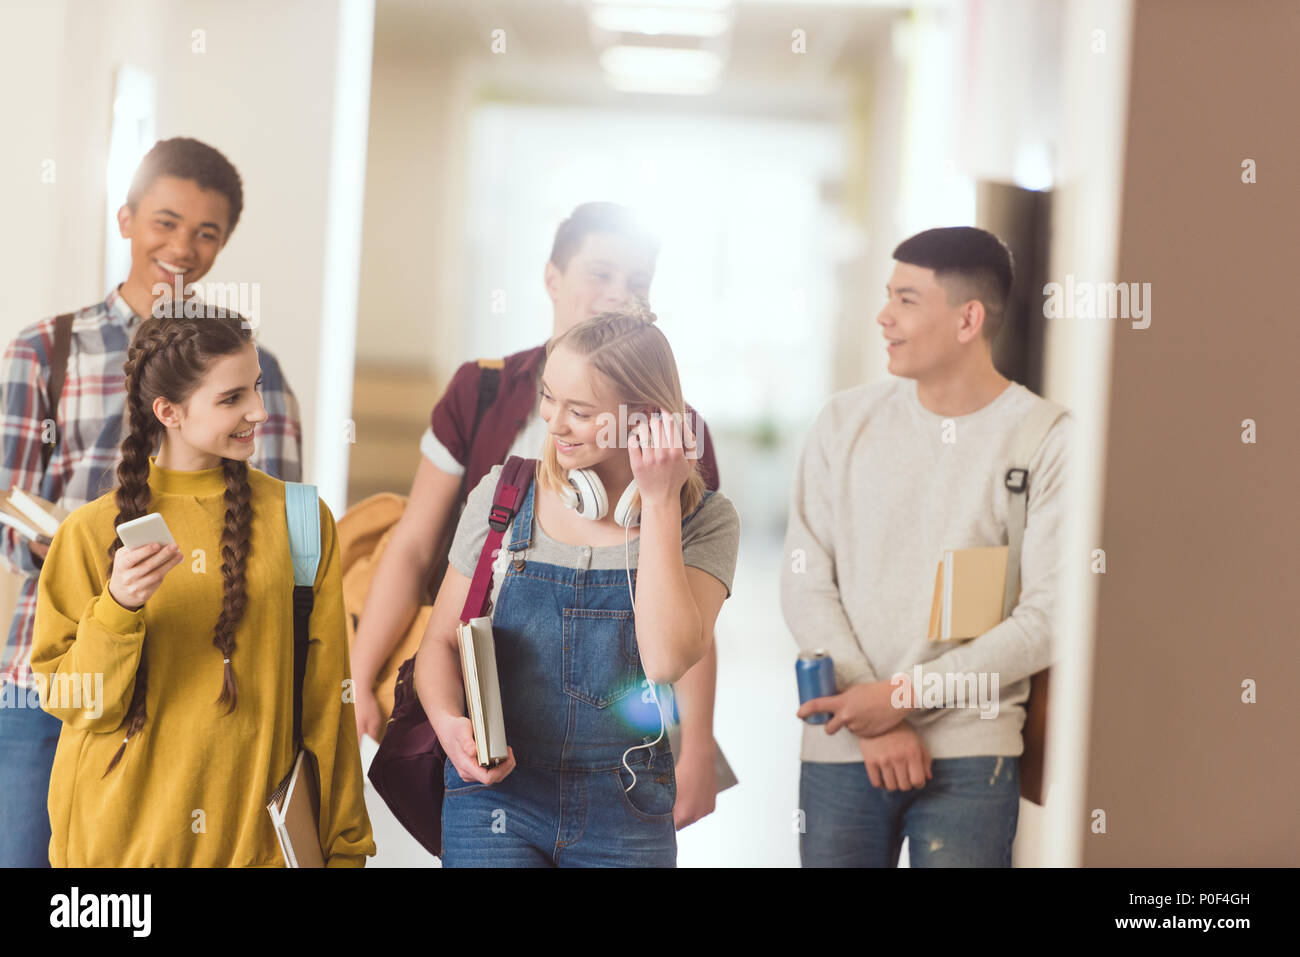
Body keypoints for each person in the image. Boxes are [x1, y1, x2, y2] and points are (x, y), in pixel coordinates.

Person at [350, 202, 727, 829]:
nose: (618, 295)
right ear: (552, 278)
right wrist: (362, 675)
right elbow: (415, 544)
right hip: (488, 708)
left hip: (616, 734)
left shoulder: (677, 434)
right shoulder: (484, 390)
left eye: (637, 282)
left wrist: (699, 743)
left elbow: (691, 606)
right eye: (600, 274)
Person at [0, 137, 302, 867]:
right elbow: (10, 513)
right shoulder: (46, 350)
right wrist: (104, 567)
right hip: (51, 680)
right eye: (166, 222)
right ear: (126, 218)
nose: (183, 247)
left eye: (207, 232)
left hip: (196, 687)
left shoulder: (255, 372)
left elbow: (286, 540)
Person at [29, 311, 373, 867]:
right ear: (168, 411)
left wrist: (346, 846)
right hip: (118, 850)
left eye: (256, 388)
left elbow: (328, 702)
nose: (259, 412)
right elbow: (76, 703)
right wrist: (118, 608)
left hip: (255, 846)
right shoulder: (89, 533)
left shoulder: (302, 520)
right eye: (231, 397)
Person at [782, 226, 1072, 867]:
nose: (884, 316)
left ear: (969, 318)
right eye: (888, 295)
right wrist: (870, 713)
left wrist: (901, 699)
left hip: (972, 754)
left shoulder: (1045, 439)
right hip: (842, 743)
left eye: (907, 300)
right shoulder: (843, 422)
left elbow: (1049, 619)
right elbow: (805, 578)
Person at [415, 305, 740, 867]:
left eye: (581, 410)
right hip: (496, 796)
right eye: (549, 397)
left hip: (629, 807)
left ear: (645, 418)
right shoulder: (502, 495)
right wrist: (449, 725)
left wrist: (659, 502)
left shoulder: (704, 521)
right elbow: (439, 643)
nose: (554, 422)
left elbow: (665, 660)